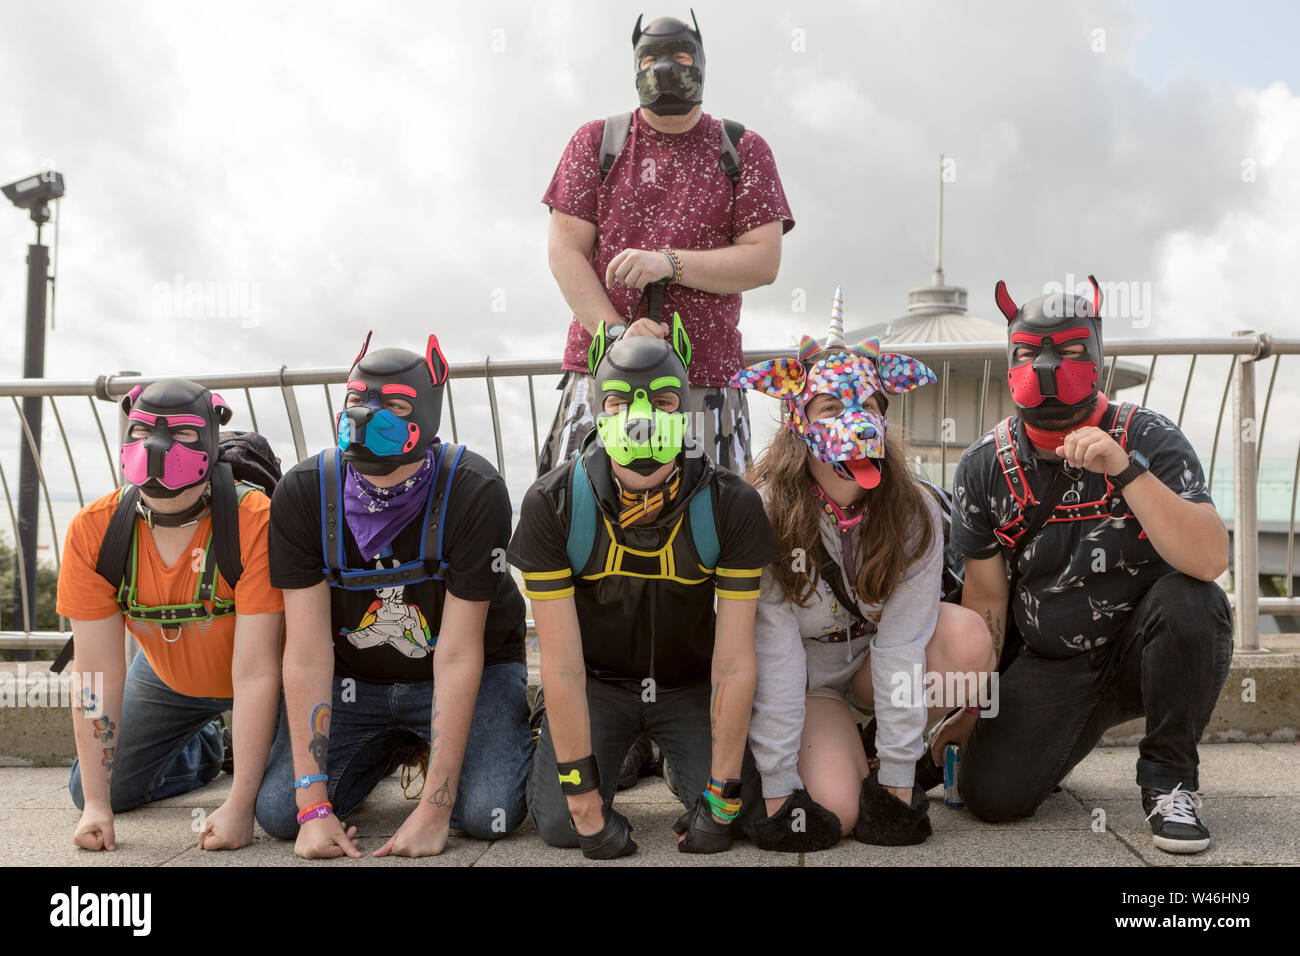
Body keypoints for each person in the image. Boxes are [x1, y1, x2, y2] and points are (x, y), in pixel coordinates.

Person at [946, 275, 1233, 853]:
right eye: (1028, 352)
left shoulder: (1148, 434)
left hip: (1145, 648)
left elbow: (1209, 560)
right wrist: (972, 706)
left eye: (1071, 350)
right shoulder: (984, 466)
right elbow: (986, 600)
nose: (1047, 365)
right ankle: (1063, 735)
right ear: (1010, 360)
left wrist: (1126, 470)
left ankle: (1169, 779)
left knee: (1194, 599)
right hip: (1054, 659)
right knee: (993, 800)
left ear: (1098, 358)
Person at [509, 315, 780, 857]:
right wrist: (585, 808)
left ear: (684, 405)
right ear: (597, 405)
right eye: (617, 402)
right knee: (563, 826)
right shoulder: (553, 503)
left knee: (744, 808)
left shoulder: (731, 503)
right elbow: (559, 666)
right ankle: (625, 753)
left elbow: (733, 661)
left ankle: (666, 755)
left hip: (691, 686)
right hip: (597, 686)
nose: (639, 418)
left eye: (662, 401)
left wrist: (721, 801)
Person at [730, 295, 993, 851]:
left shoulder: (915, 509)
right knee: (837, 813)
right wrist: (779, 789)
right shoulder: (766, 509)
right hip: (808, 683)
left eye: (870, 404)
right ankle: (832, 755)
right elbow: (774, 652)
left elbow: (903, 644)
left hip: (873, 667)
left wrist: (898, 786)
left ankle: (891, 754)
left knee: (967, 638)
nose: (854, 420)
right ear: (797, 417)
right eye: (828, 407)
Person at [255, 333, 531, 858]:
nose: (366, 414)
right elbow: (309, 651)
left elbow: (458, 652)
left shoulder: (475, 489)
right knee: (278, 814)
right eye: (357, 399)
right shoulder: (303, 491)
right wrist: (313, 810)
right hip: (355, 681)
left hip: (473, 667)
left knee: (486, 813)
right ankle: (394, 744)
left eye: (395, 403)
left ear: (426, 414)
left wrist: (435, 807)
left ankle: (470, 743)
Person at [539, 10, 795, 479]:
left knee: (713, 528)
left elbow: (763, 259)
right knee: (583, 521)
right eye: (650, 58)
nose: (664, 68)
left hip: (706, 378)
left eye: (679, 55)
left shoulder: (742, 148)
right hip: (603, 379)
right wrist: (616, 334)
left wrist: (669, 264)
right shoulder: (596, 142)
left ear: (701, 62)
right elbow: (564, 252)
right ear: (633, 66)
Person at [59, 379, 284, 852]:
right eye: (142, 431)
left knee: (279, 807)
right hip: (170, 679)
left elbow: (257, 671)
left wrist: (240, 807)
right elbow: (95, 676)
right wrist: (97, 807)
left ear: (210, 438)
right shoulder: (94, 529)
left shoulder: (254, 519)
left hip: (270, 681)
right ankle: (209, 748)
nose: (156, 447)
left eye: (181, 434)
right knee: (92, 787)